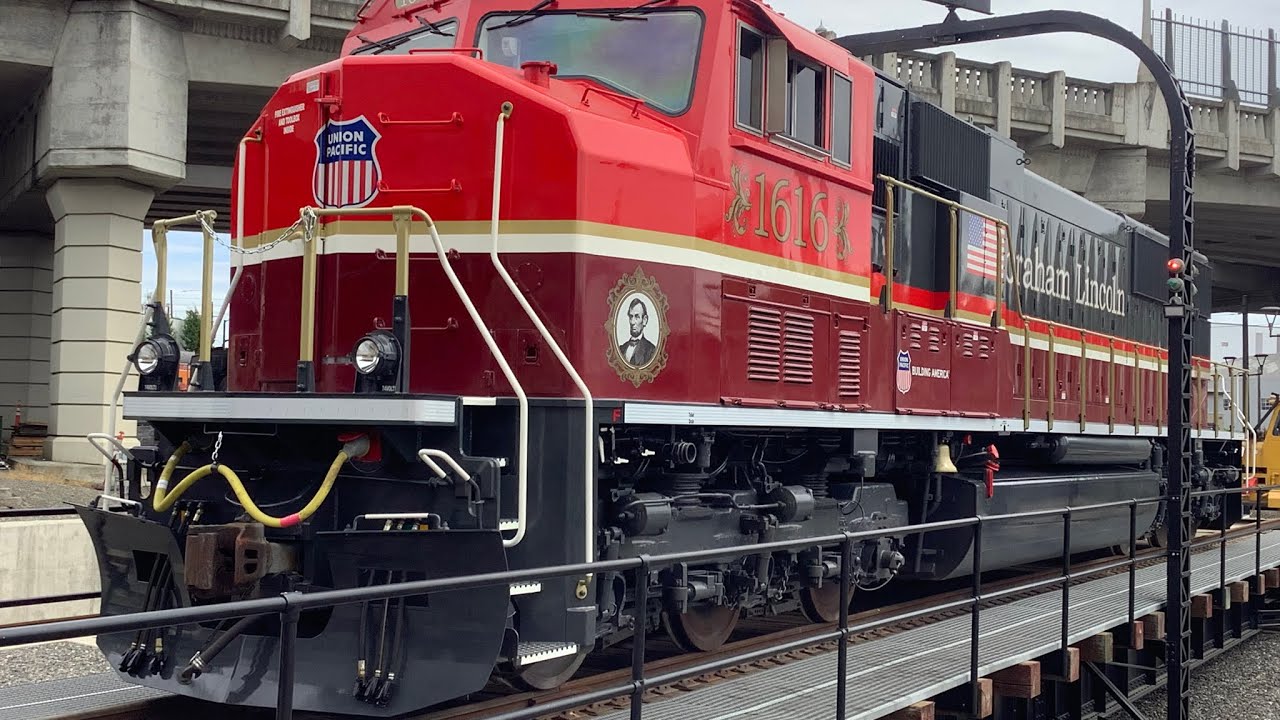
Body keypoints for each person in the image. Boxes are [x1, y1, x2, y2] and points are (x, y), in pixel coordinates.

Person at [619, 297, 657, 366]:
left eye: (637, 317)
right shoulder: (621, 349)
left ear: (644, 320)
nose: (632, 322)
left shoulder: (651, 350)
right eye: (631, 317)